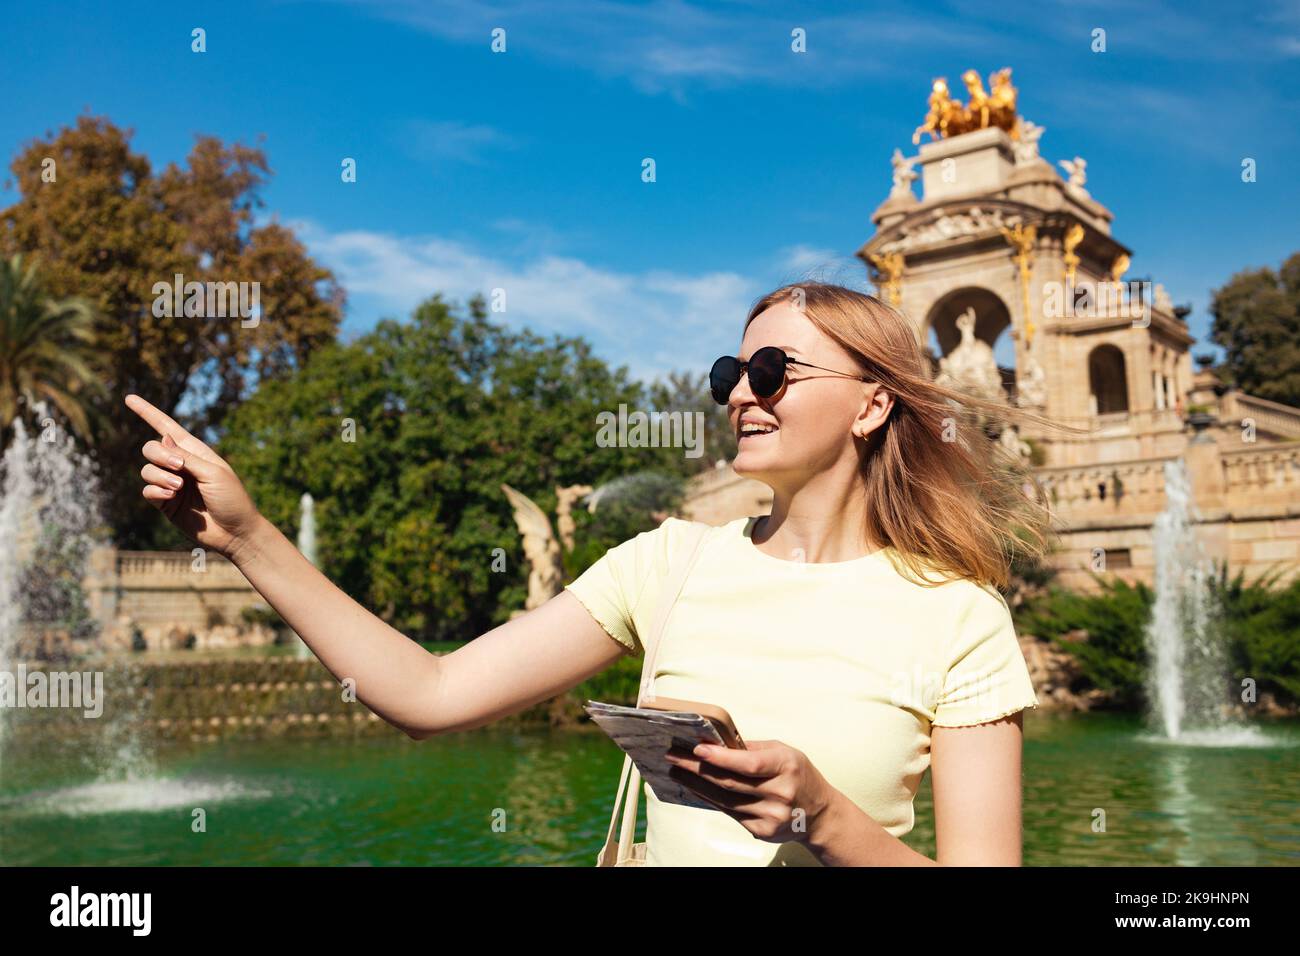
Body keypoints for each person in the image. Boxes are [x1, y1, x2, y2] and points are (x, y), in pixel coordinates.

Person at [126, 281, 1076, 866]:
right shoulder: (668, 560)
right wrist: (251, 537)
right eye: (729, 373)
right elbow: (428, 691)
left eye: (774, 371)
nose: (741, 393)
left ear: (871, 404)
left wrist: (825, 818)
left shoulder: (959, 618)